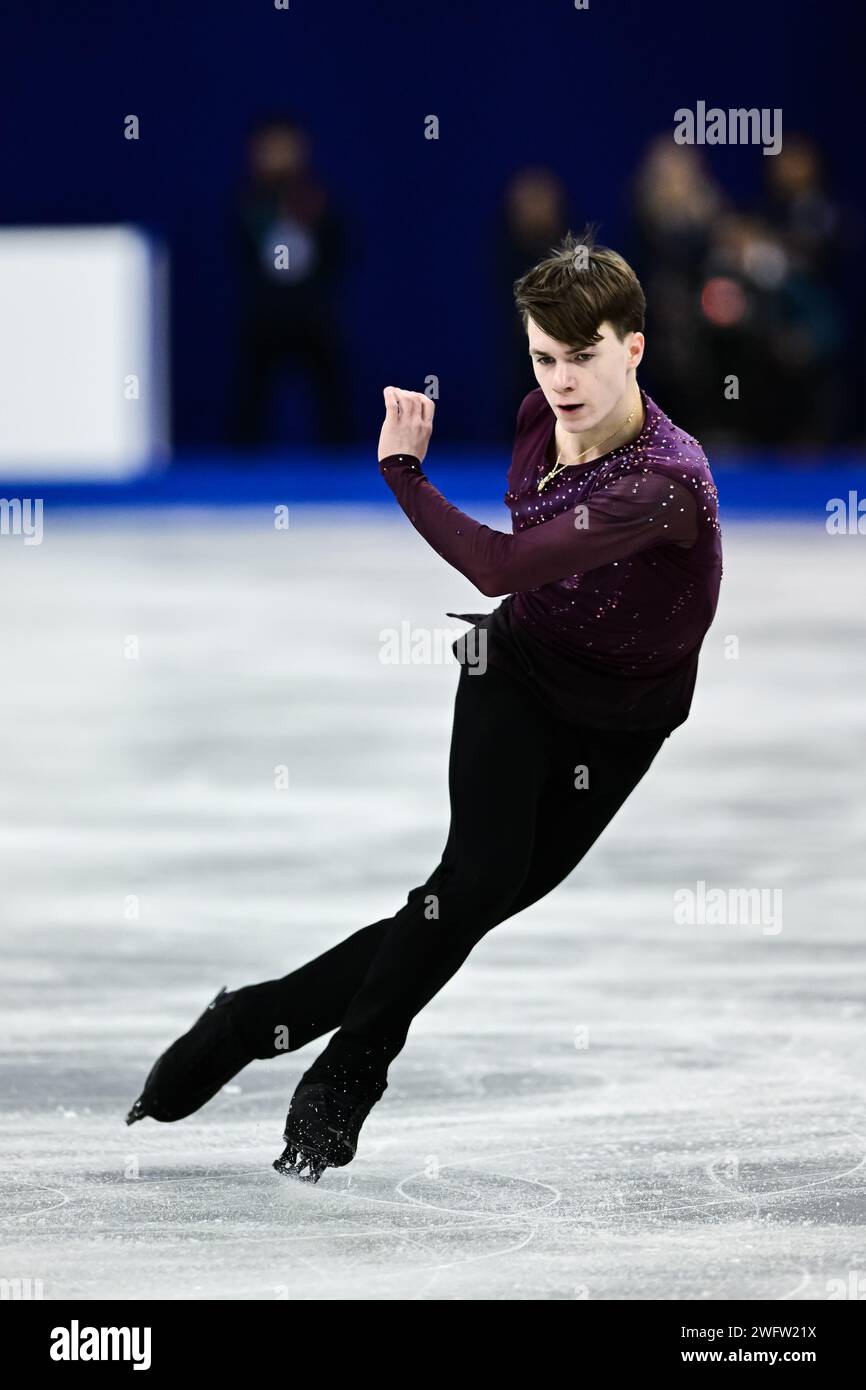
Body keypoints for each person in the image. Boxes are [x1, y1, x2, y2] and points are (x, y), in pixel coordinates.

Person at [127, 231, 723, 1184]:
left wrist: (403, 474)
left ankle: (249, 1020)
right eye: (544, 355)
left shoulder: (663, 485)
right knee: (474, 882)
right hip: (515, 668)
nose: (561, 381)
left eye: (584, 356)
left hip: (623, 723)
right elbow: (511, 587)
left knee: (459, 908)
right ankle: (343, 1080)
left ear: (635, 347)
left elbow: (500, 559)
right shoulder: (539, 416)